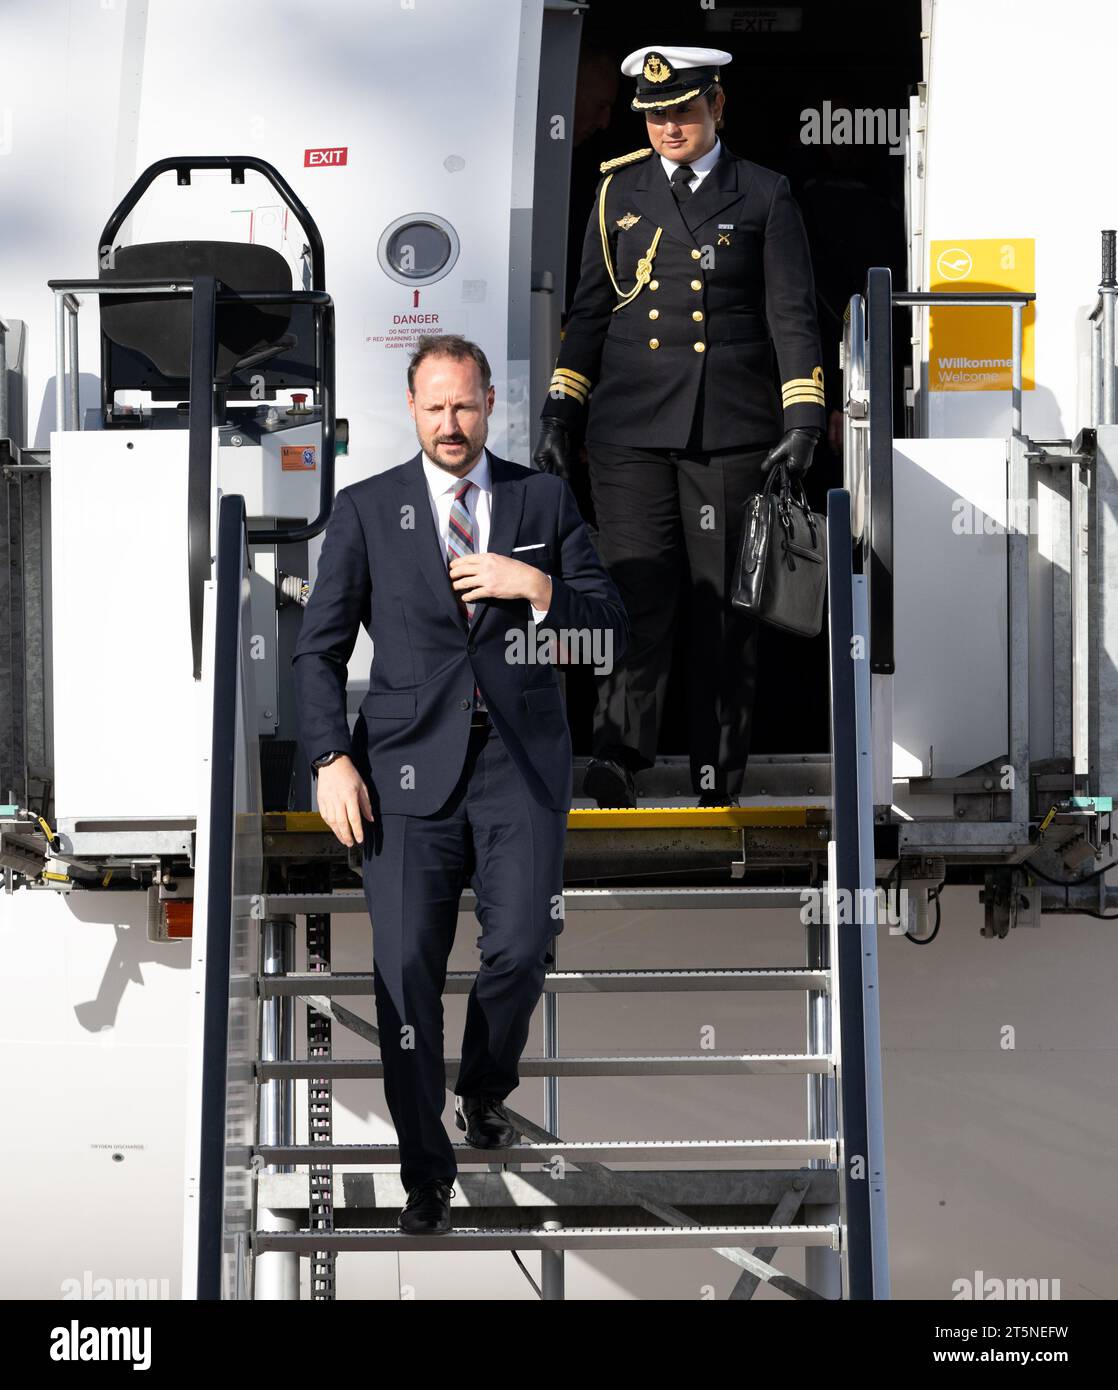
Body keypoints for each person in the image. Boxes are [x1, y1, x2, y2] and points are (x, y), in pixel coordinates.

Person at [292, 335, 627, 1236]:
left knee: (519, 949)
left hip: (517, 767)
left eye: (466, 406)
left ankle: (484, 1091)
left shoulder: (542, 498)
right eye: (434, 406)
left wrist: (536, 586)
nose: (451, 422)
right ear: (412, 408)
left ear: (490, 406)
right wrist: (330, 759)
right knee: (404, 975)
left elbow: (608, 633)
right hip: (401, 776)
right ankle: (425, 1177)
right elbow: (317, 651)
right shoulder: (366, 510)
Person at [534, 45, 826, 808]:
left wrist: (804, 414)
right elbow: (591, 311)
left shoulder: (764, 194)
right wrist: (563, 404)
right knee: (636, 591)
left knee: (723, 606)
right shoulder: (617, 192)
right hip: (631, 429)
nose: (669, 126)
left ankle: (714, 772)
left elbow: (790, 317)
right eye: (656, 114)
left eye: (682, 112)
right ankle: (618, 756)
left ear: (717, 108)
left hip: (728, 428)